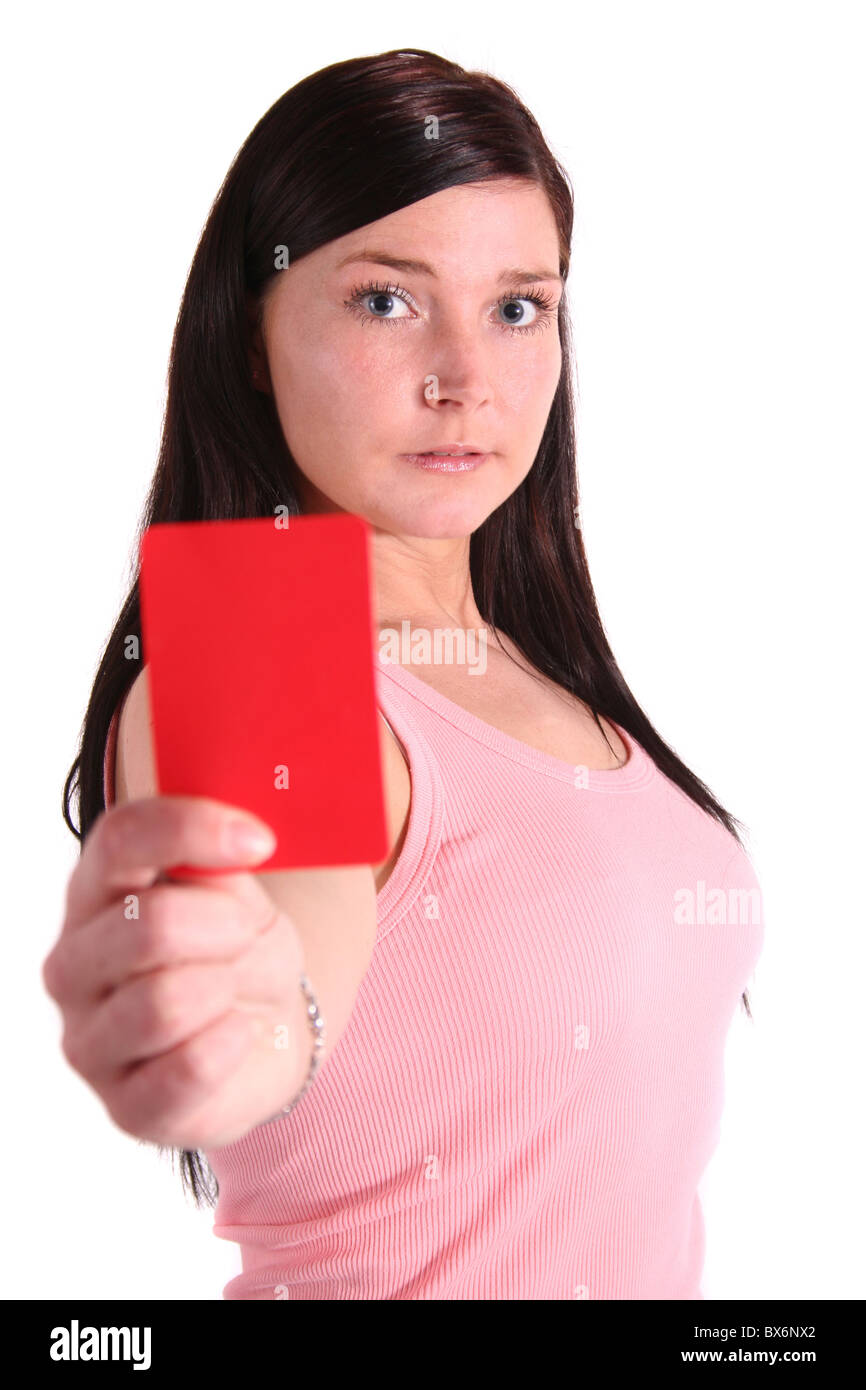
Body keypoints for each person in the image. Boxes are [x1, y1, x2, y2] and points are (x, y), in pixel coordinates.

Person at [46, 48, 764, 1300]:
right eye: (386, 300)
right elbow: (281, 991)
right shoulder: (263, 641)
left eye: (516, 306)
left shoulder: (554, 678)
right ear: (252, 336)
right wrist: (233, 1030)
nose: (464, 378)